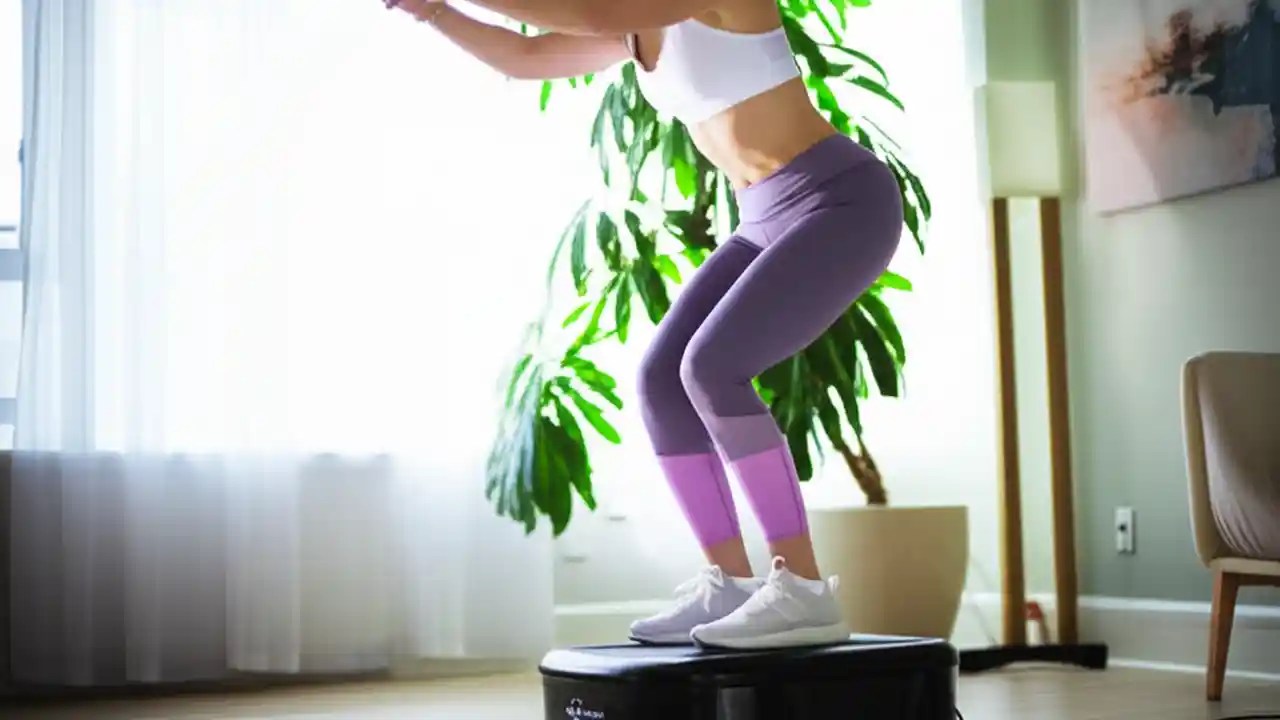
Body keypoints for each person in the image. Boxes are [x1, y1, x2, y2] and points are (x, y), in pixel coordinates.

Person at [384, 0, 904, 650]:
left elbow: (590, 17)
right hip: (762, 216)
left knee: (712, 368)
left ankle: (803, 590)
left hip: (840, 201)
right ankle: (731, 582)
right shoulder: (636, 27)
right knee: (663, 379)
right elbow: (524, 58)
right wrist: (433, 12)